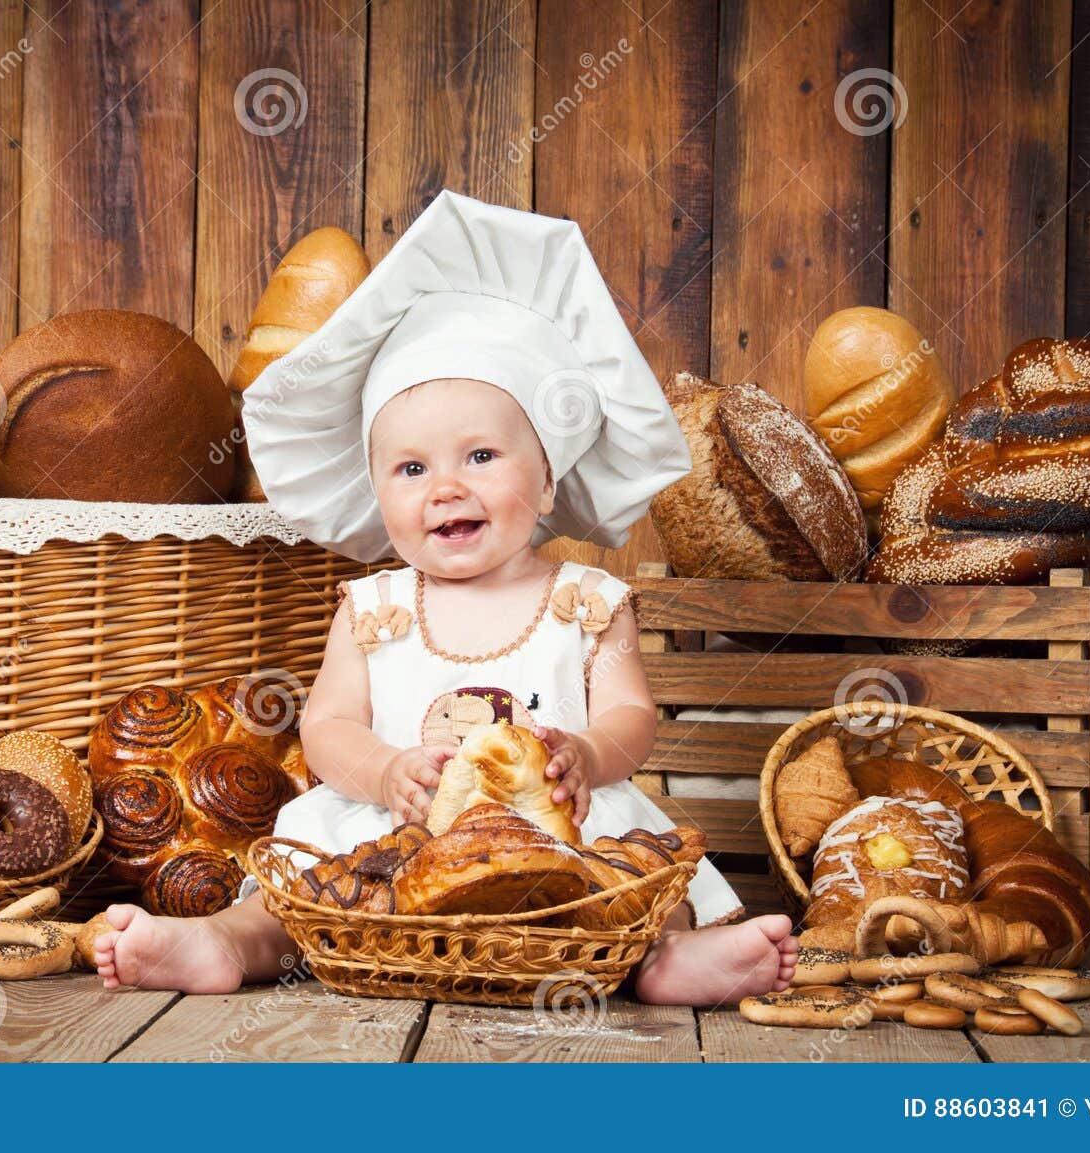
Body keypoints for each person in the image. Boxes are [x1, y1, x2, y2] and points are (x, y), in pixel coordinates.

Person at [94, 191, 797, 1004]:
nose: (446, 487)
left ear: (547, 482)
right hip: (397, 831)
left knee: (630, 875)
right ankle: (226, 943)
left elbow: (632, 716)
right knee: (302, 892)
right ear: (378, 493)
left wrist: (586, 754)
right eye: (411, 468)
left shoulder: (588, 601)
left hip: (555, 825)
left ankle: (666, 958)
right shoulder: (373, 608)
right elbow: (326, 726)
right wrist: (383, 771)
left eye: (482, 455)